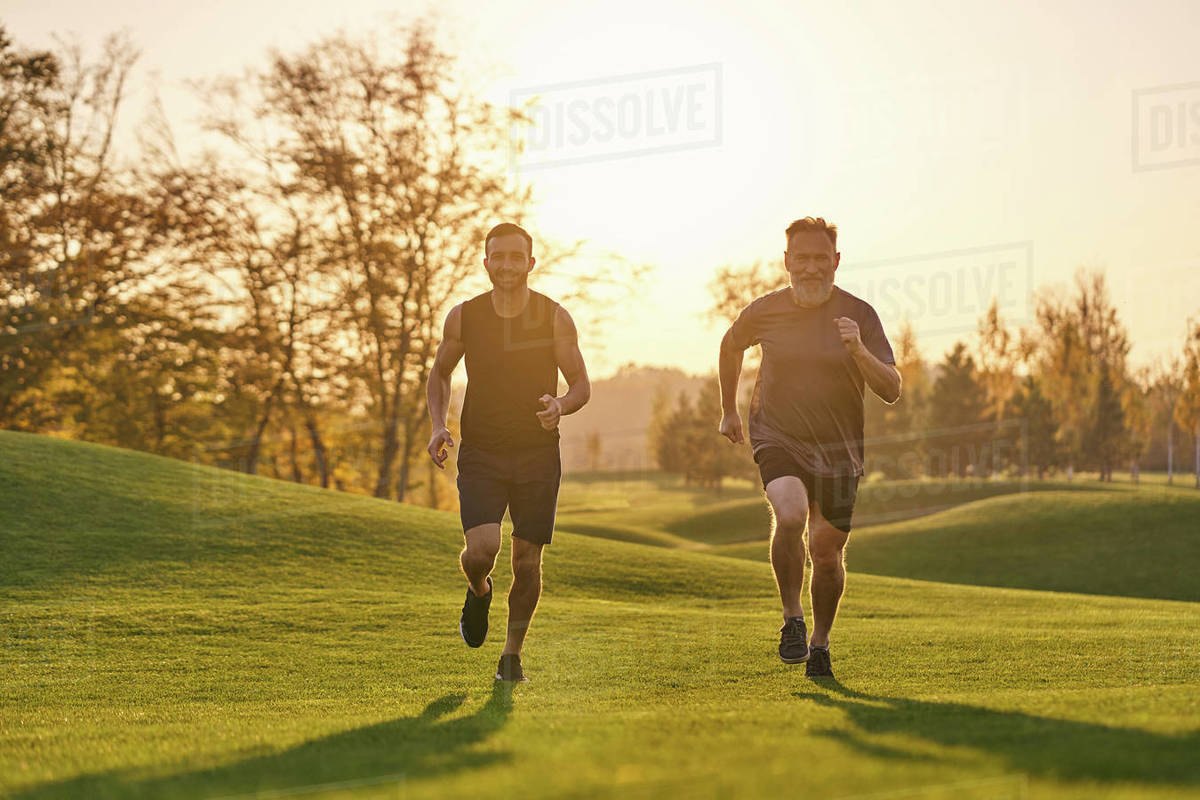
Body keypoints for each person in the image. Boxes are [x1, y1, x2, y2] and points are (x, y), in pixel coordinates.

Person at [717, 217, 901, 678]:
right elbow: (730, 345)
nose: (812, 267)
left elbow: (892, 388)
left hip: (840, 452)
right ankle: (792, 619)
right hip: (777, 435)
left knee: (826, 552)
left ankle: (819, 642)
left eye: (822, 258)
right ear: (787, 262)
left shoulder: (860, 314)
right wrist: (729, 410)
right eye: (802, 258)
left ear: (836, 261)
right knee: (792, 513)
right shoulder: (766, 310)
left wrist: (858, 351)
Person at [426, 222, 590, 683]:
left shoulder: (554, 317)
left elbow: (581, 385)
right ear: (486, 263)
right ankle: (479, 591)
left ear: (531, 263)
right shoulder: (464, 317)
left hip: (537, 454)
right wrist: (439, 424)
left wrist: (560, 405)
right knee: (481, 550)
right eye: (498, 257)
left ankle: (511, 655)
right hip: (481, 450)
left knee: (527, 561)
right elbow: (439, 374)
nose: (507, 266)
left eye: (516, 257)